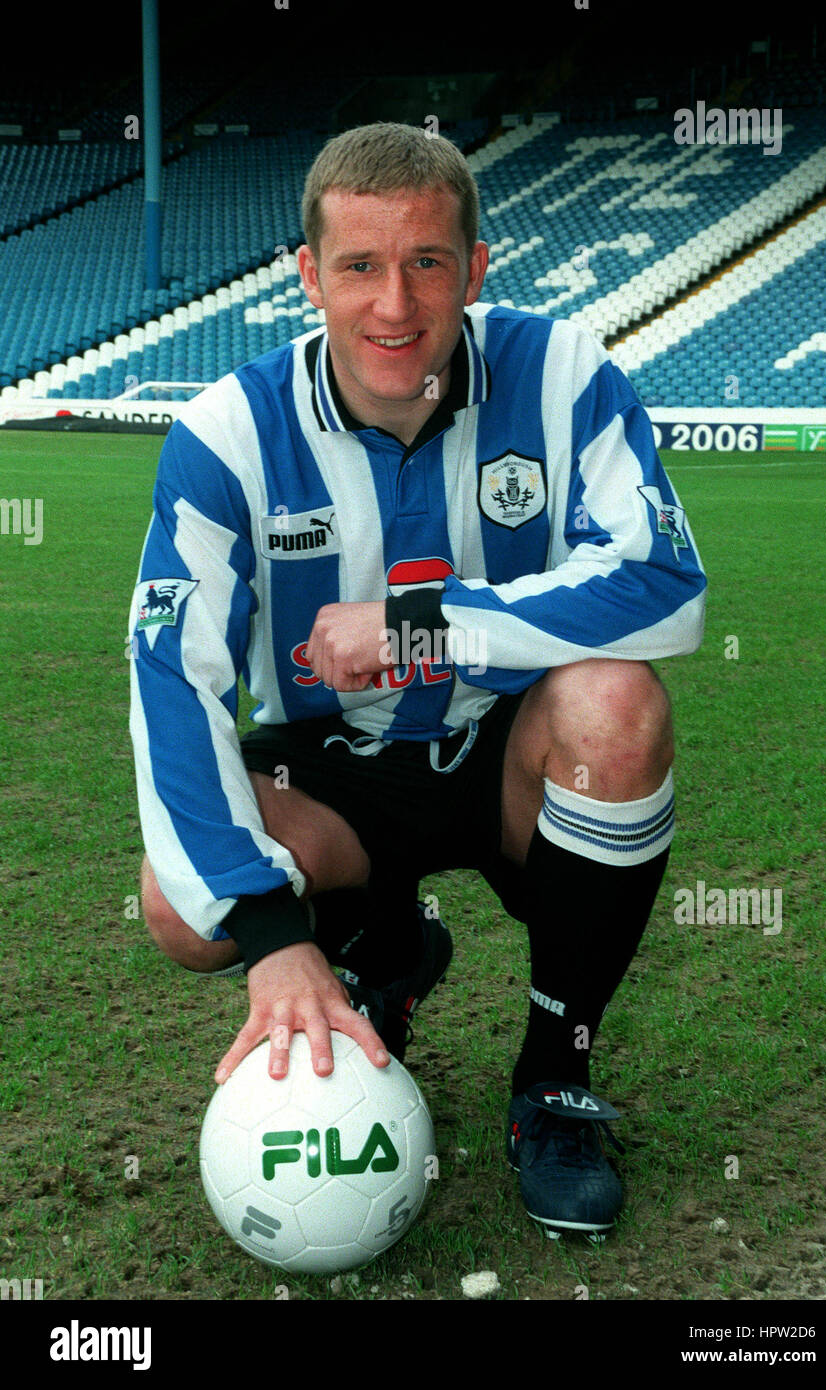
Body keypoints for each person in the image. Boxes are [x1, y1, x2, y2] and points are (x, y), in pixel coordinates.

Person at [130, 121, 706, 1237]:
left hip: (502, 756)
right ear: (309, 276)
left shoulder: (561, 376)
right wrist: (268, 934)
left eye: (426, 262)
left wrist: (420, 628)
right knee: (176, 906)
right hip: (333, 771)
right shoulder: (225, 434)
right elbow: (173, 676)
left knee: (618, 706)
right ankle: (384, 951)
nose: (394, 304)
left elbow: (663, 583)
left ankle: (551, 1079)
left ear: (474, 267)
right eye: (359, 267)